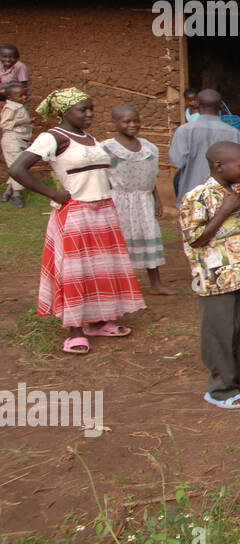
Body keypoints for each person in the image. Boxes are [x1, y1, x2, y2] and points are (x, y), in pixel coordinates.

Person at [9, 89, 145, 355]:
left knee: (101, 267)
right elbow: (17, 169)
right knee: (76, 271)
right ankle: (75, 331)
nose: (89, 114)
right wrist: (53, 193)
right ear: (64, 113)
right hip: (76, 211)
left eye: (91, 108)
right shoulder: (52, 137)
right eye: (82, 109)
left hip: (103, 210)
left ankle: (100, 320)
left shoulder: (89, 139)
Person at [178, 141, 240, 409]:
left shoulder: (237, 191)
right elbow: (195, 239)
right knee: (220, 331)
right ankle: (220, 389)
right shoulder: (198, 196)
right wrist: (225, 210)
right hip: (215, 277)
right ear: (219, 166)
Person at [102, 104, 174, 294]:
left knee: (148, 234)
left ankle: (156, 283)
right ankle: (120, 285)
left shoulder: (149, 148)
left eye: (136, 121)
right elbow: (103, 178)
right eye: (126, 121)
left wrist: (156, 198)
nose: (133, 125)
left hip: (144, 201)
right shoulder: (107, 149)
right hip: (119, 201)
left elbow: (150, 176)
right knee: (121, 239)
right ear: (115, 123)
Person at [169, 89, 240, 211]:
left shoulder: (184, 131)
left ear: (197, 104)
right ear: (220, 106)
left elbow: (177, 161)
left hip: (192, 195)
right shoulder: (234, 133)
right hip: (225, 198)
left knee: (194, 229)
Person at [2, 82, 33, 207]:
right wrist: (24, 121)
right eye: (20, 96)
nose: (23, 98)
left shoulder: (19, 106)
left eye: (24, 95)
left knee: (19, 165)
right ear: (10, 98)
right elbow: (3, 124)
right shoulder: (10, 108)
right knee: (18, 167)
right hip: (11, 140)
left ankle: (7, 192)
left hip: (20, 140)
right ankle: (16, 194)